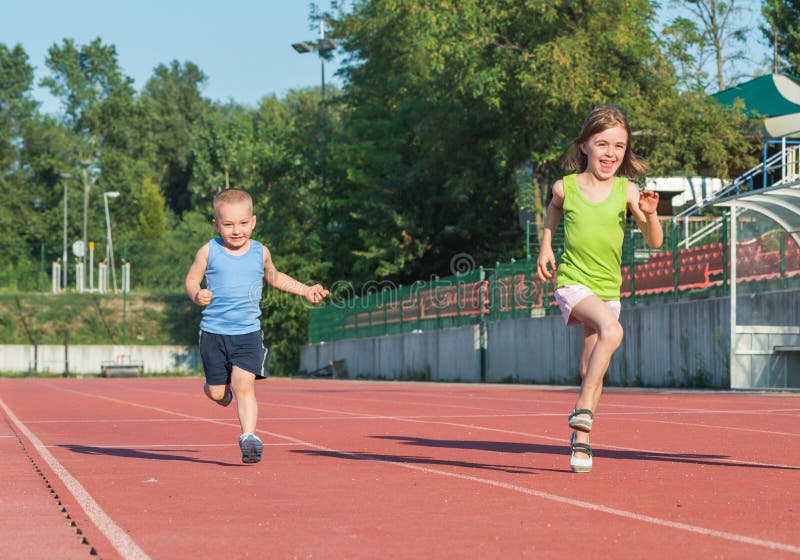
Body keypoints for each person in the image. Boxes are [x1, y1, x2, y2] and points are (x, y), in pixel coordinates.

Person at [536, 105, 663, 473]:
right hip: (573, 281)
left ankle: (581, 442)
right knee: (613, 331)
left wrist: (651, 213)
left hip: (609, 288)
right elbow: (553, 209)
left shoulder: (627, 191)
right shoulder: (566, 186)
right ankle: (584, 411)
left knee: (591, 365)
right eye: (602, 144)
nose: (611, 153)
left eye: (619, 146)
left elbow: (654, 242)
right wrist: (546, 246)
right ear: (585, 146)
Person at [185, 188, 328, 464]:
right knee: (218, 393)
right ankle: (215, 389)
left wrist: (305, 289)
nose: (236, 230)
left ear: (253, 221)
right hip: (214, 333)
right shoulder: (208, 251)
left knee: (244, 386)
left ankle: (249, 437)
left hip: (248, 333)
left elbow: (275, 277)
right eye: (228, 225)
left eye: (242, 223)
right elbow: (192, 279)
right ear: (216, 224)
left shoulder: (260, 251)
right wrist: (196, 294)